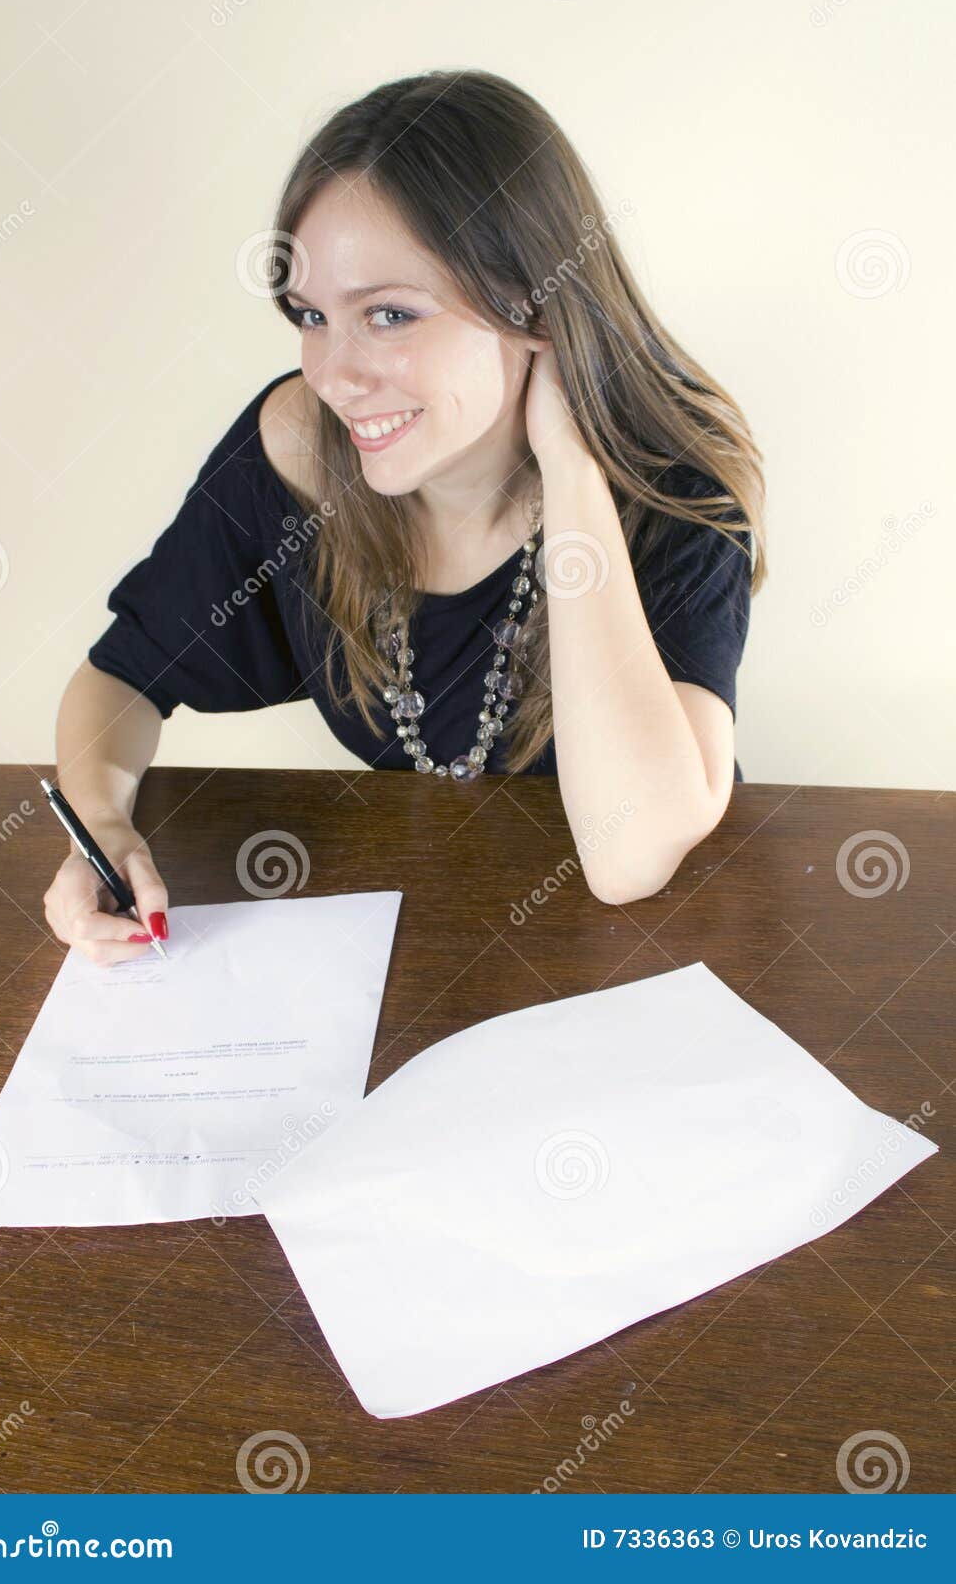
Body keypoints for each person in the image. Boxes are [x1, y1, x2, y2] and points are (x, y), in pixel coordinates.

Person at [44, 69, 766, 964]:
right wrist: (101, 828)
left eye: (389, 314)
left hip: (643, 959)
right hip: (427, 955)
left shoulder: (672, 493)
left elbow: (628, 862)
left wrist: (572, 468)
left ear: (533, 304)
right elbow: (121, 678)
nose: (336, 375)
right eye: (311, 315)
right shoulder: (298, 451)